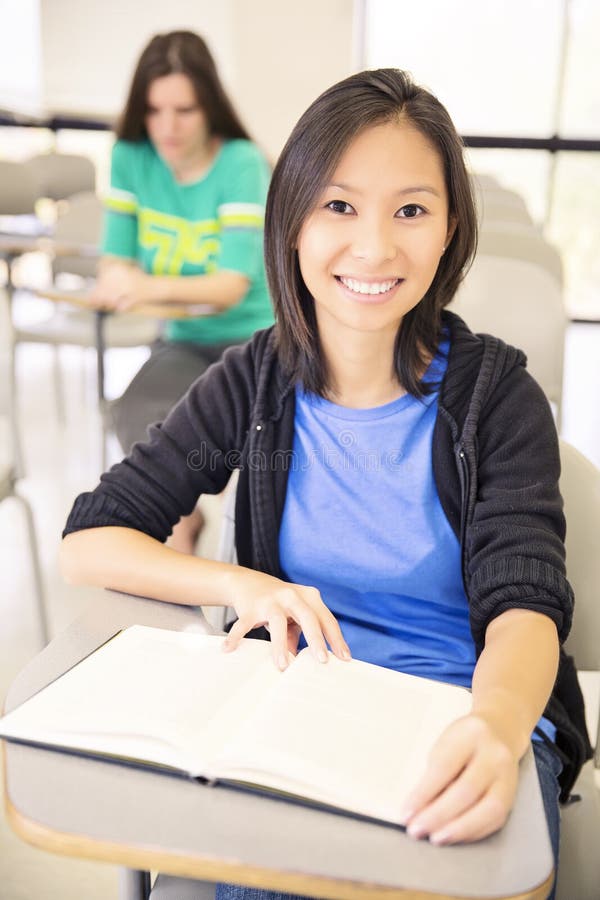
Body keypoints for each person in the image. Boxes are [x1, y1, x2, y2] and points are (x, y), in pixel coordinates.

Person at [61, 69, 590, 899]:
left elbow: (525, 606)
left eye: (411, 210)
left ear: (451, 229)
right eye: (339, 206)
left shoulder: (497, 399)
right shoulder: (254, 386)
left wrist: (494, 726)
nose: (375, 248)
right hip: (296, 724)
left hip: (462, 721)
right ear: (293, 222)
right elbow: (94, 539)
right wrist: (241, 584)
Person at [91, 30, 273, 552]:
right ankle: (186, 517)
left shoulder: (240, 161)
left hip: (255, 339)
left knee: (248, 449)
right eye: (154, 110)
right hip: (184, 340)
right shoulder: (130, 157)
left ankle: (214, 531)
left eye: (184, 110)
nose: (167, 128)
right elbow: (114, 261)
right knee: (136, 413)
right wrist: (118, 282)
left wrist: (140, 285)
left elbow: (229, 288)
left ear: (209, 106)